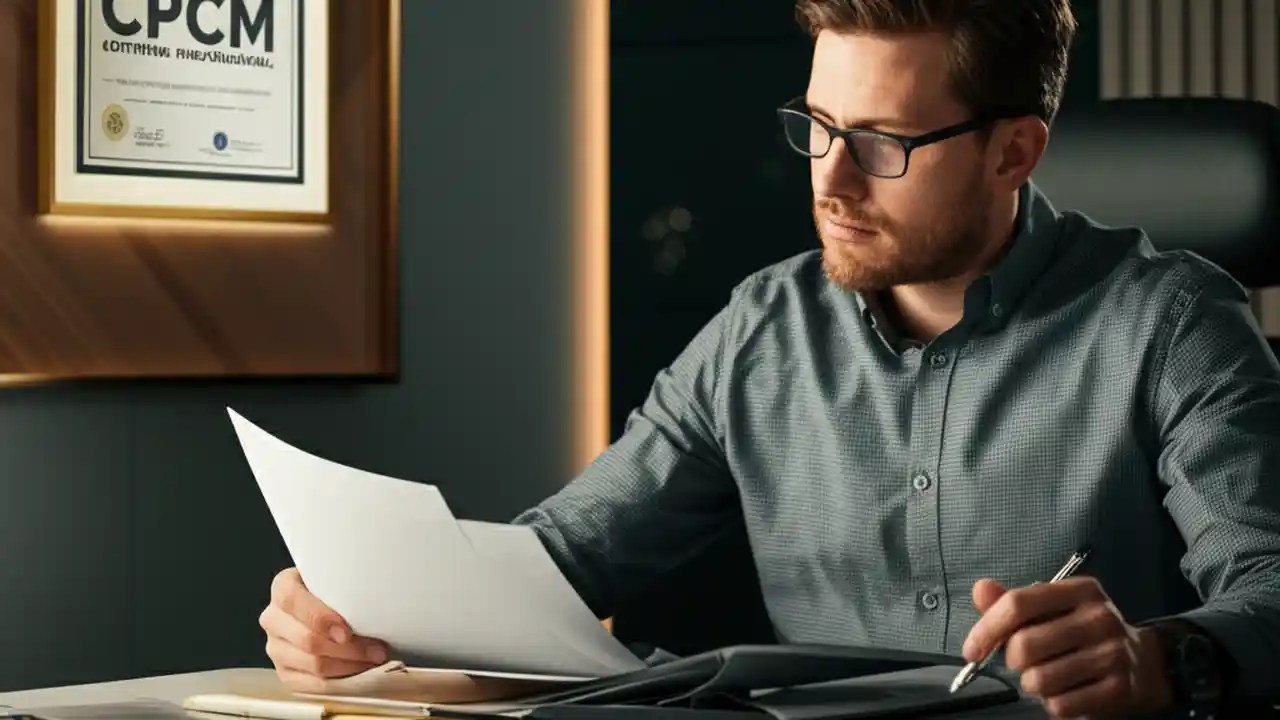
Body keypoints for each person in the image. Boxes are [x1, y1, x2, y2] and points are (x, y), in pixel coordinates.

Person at [258, 1, 1280, 717]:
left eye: (880, 143)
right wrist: (372, 614)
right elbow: (559, 561)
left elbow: (1271, 593)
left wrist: (1159, 660)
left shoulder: (1171, 324)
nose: (828, 181)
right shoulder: (761, 330)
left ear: (1012, 152)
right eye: (816, 128)